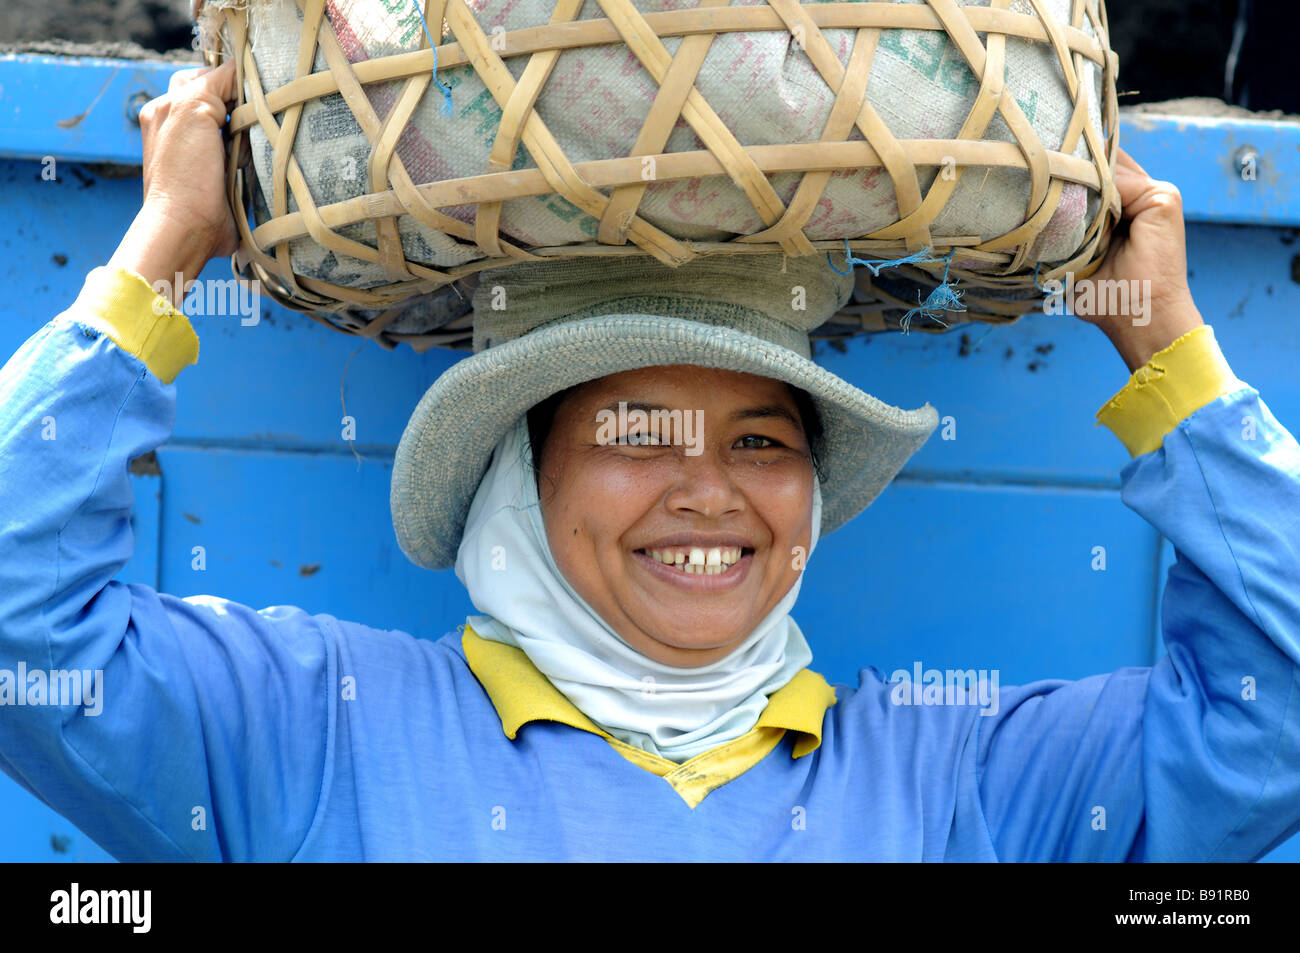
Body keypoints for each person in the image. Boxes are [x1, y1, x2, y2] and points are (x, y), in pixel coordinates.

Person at [0, 60, 1297, 862]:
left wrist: (1166, 346)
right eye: (634, 431)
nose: (710, 490)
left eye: (761, 439)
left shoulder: (962, 776)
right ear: (519, 473)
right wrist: (162, 252)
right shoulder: (309, 731)